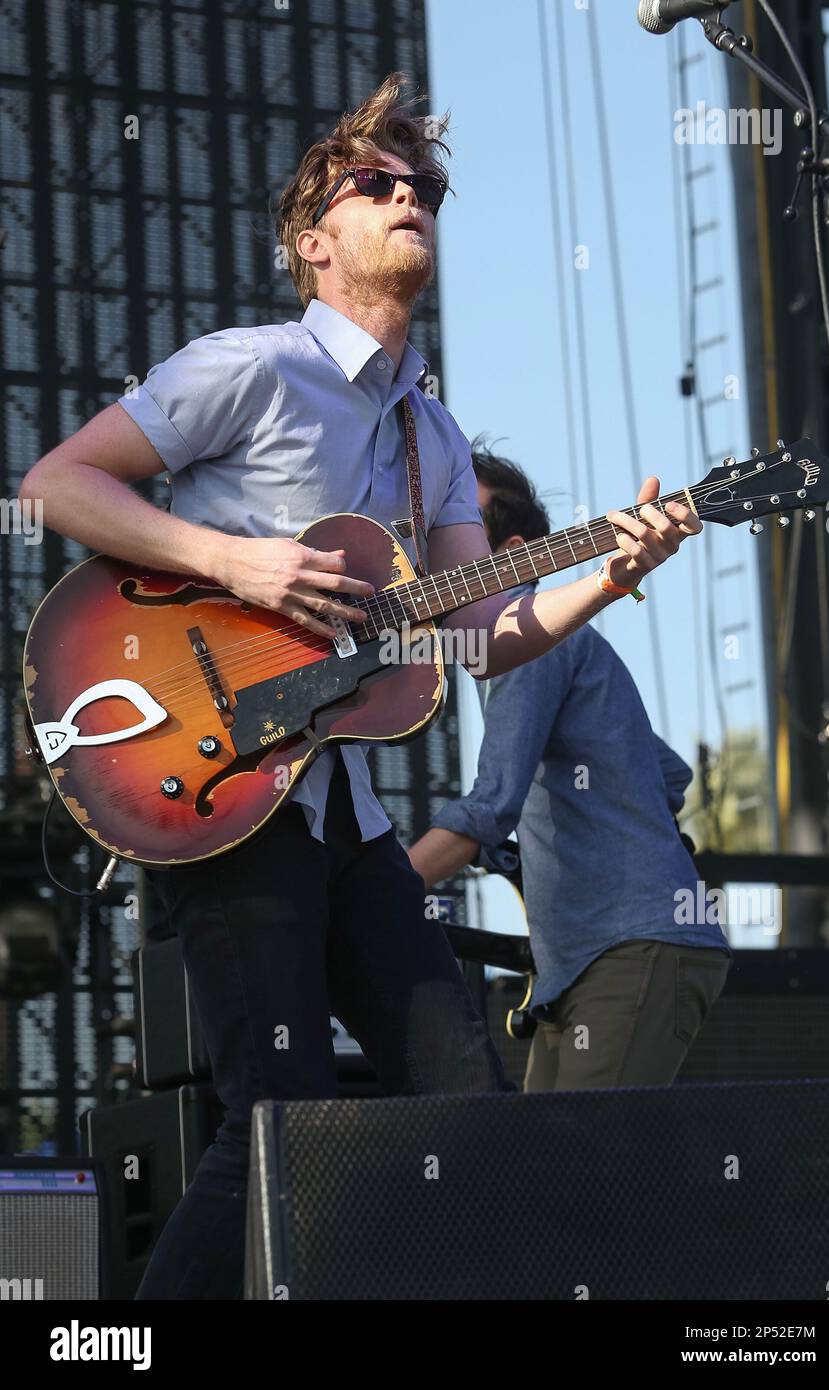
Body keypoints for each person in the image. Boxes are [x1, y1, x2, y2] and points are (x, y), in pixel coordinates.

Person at [18, 74, 701, 1298]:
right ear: (313, 243)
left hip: (349, 816)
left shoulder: (430, 437)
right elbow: (59, 485)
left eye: (424, 188)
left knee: (464, 1113)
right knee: (272, 1119)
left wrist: (610, 572)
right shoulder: (251, 368)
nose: (409, 199)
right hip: (220, 784)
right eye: (378, 185)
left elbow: (475, 638)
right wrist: (234, 559)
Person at [409, 444, 731, 1092]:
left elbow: (489, 806)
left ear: (512, 551)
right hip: (587, 964)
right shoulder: (534, 653)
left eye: (455, 529)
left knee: (583, 1179)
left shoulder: (529, 640)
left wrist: (380, 892)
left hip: (629, 947)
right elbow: (666, 776)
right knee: (551, 1188)